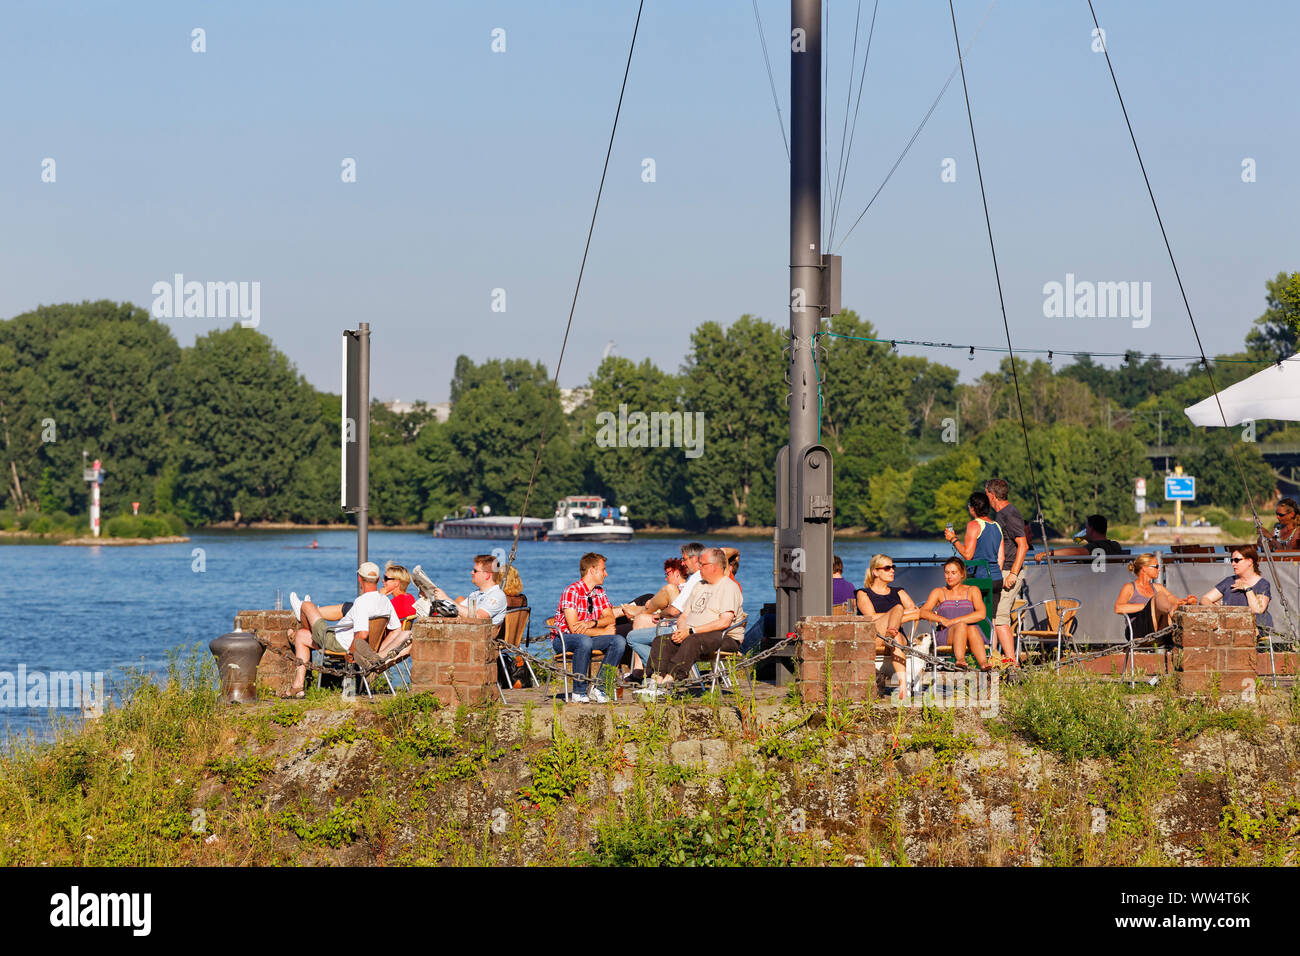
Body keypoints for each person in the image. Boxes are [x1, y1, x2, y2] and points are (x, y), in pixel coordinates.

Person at [286, 562, 400, 698]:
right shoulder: (385, 601)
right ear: (378, 579)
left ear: (359, 578)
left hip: (338, 642)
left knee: (306, 606)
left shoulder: (361, 602)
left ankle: (305, 622)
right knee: (301, 636)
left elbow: (363, 634)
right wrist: (377, 648)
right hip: (359, 645)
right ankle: (297, 686)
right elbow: (396, 630)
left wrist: (351, 652)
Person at [641, 548, 744, 695]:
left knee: (693, 641)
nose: (699, 568)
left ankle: (670, 680)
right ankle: (655, 680)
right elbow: (684, 615)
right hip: (693, 633)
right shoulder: (699, 585)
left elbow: (724, 623)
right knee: (661, 640)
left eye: (702, 564)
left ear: (714, 566)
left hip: (724, 637)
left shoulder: (729, 587)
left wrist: (690, 632)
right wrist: (681, 631)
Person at [553, 553, 630, 703]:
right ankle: (579, 691)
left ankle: (599, 688)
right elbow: (574, 629)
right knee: (584, 641)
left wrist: (592, 623)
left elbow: (609, 617)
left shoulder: (600, 592)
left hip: (588, 637)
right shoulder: (572, 591)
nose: (606, 574)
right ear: (592, 570)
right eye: (603, 569)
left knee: (618, 641)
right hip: (563, 639)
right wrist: (603, 631)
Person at [855, 554, 922, 698]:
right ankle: (892, 628)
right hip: (877, 636)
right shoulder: (863, 593)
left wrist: (895, 617)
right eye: (887, 568)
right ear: (875, 572)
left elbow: (916, 612)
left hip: (897, 636)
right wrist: (894, 614)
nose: (892, 570)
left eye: (893, 567)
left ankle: (903, 687)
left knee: (896, 635)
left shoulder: (898, 591)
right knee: (897, 608)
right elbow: (870, 618)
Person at [984, 478, 1031, 665]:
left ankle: (1012, 662)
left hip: (1009, 571)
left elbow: (1023, 545)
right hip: (1000, 571)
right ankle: (993, 658)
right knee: (993, 617)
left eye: (986, 493)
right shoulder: (1001, 514)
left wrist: (1013, 573)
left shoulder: (1009, 514)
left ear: (991, 495)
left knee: (1001, 617)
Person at [919, 557, 991, 671]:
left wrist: (953, 621)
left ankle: (984, 664)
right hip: (948, 633)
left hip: (971, 633)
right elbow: (923, 612)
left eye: (953, 573)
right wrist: (942, 620)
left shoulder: (972, 590)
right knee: (962, 626)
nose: (949, 576)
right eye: (947, 572)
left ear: (962, 574)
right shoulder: (939, 592)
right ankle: (960, 660)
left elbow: (981, 614)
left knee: (971, 628)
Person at [1114, 553, 1196, 641]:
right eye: (1156, 566)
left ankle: (1170, 611)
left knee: (1162, 596)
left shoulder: (1158, 587)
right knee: (1159, 596)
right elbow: (1118, 608)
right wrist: (1149, 606)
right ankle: (1170, 611)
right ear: (1144, 568)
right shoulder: (1130, 587)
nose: (1159, 569)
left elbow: (1173, 599)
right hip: (1137, 631)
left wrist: (1186, 601)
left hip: (1158, 629)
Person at [1201, 545, 1272, 628]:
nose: (1232, 564)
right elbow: (1204, 599)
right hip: (1229, 628)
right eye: (1232, 560)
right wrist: (1219, 611)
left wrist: (1247, 588)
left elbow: (1257, 610)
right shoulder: (1229, 581)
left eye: (1236, 560)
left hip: (1253, 630)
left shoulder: (1263, 584)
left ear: (1249, 561)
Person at [945, 492, 1005, 587]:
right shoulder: (997, 526)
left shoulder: (974, 525)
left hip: (980, 579)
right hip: (997, 579)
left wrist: (953, 538)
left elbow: (968, 555)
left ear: (972, 508)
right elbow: (1001, 558)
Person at [1035, 514, 1122, 560]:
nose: (1085, 531)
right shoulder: (1115, 545)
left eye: (1086, 528)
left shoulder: (1093, 547)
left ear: (1091, 529)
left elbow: (1076, 552)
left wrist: (1049, 553)